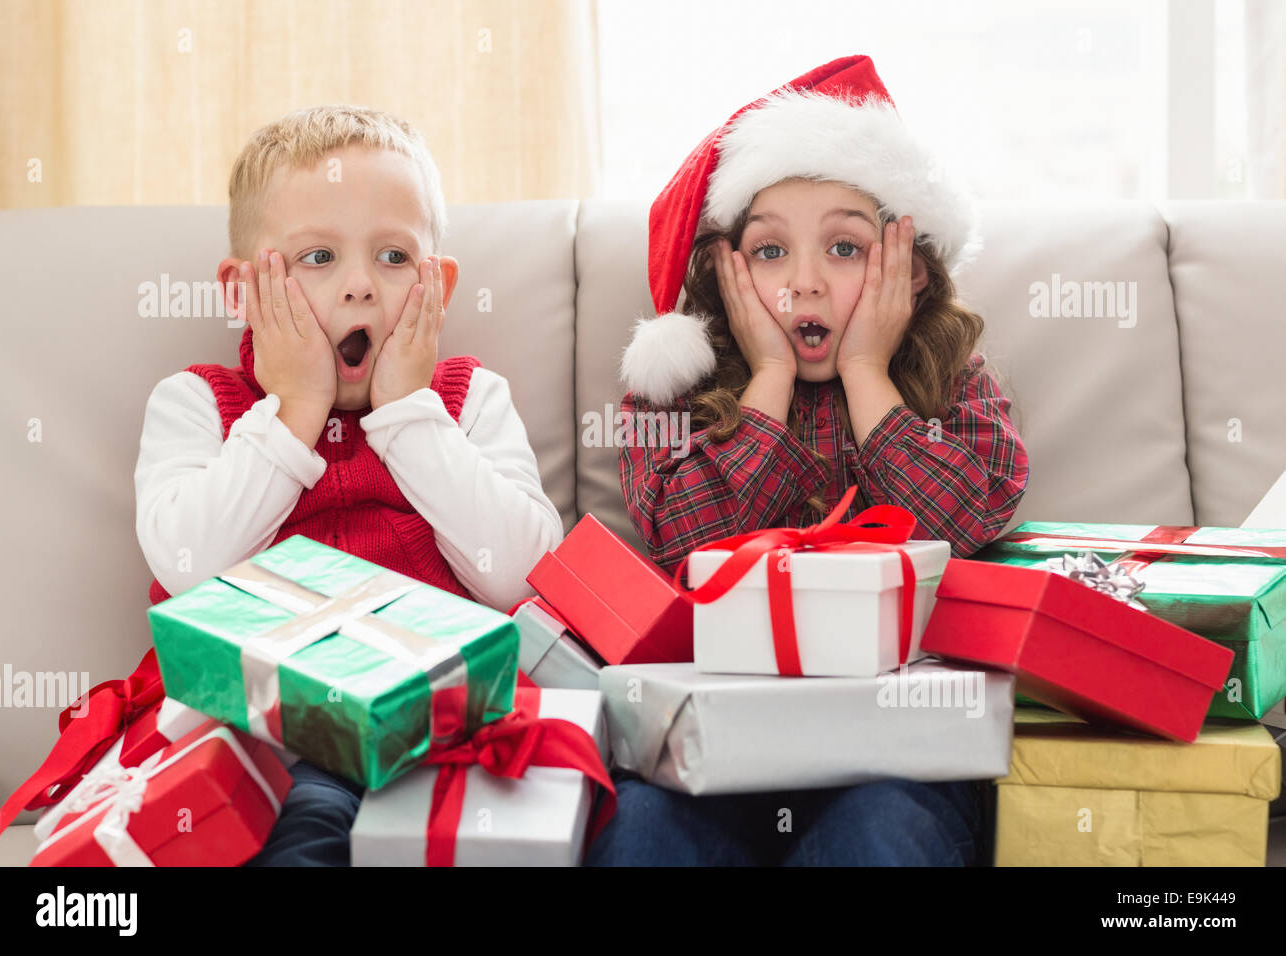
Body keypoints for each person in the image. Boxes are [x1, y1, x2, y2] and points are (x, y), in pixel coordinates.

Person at [587, 56, 1030, 866]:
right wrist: (769, 382)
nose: (803, 286)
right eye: (769, 254)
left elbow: (966, 519)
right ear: (724, 273)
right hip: (716, 753)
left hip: (898, 755)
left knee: (878, 839)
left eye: (844, 249)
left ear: (909, 269)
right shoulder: (673, 389)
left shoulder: (954, 378)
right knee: (642, 836)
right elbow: (690, 547)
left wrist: (866, 374)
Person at [130, 105, 563, 865]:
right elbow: (189, 567)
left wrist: (406, 414)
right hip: (273, 743)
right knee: (306, 826)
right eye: (319, 259)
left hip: (439, 734)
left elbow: (521, 573)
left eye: (394, 258)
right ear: (240, 292)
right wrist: (295, 410)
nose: (361, 287)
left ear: (440, 284)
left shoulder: (468, 401)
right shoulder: (197, 403)